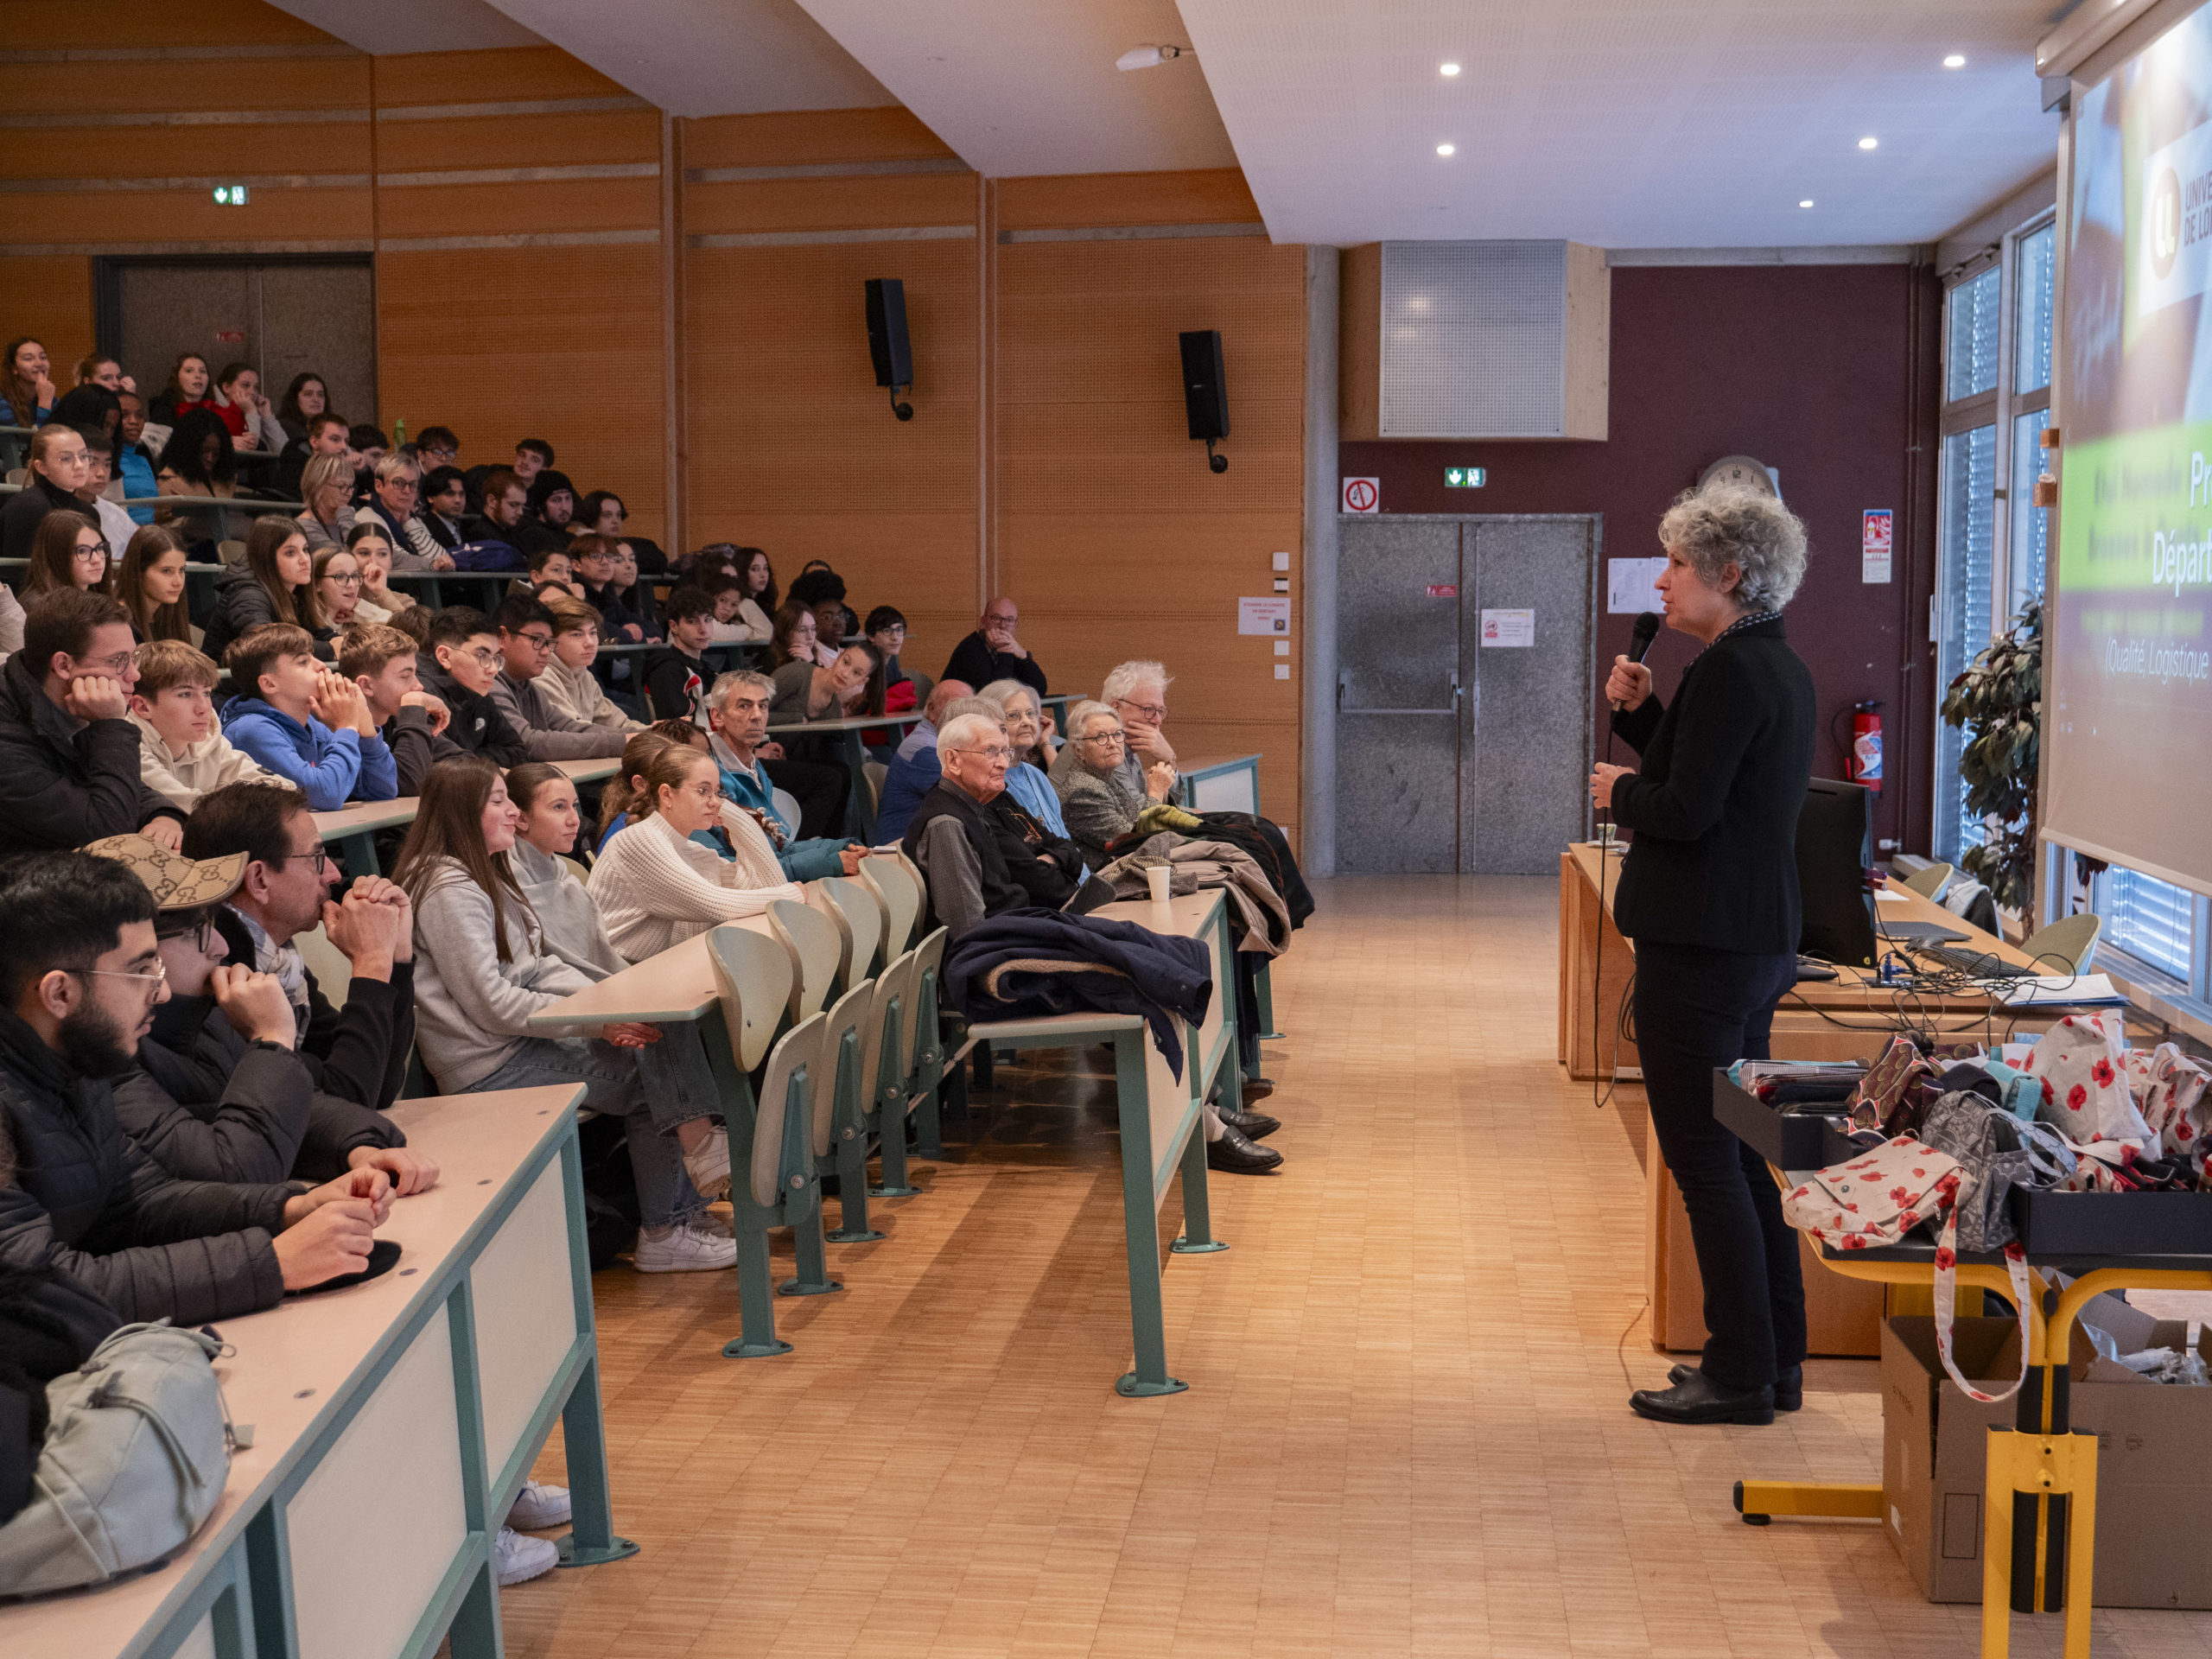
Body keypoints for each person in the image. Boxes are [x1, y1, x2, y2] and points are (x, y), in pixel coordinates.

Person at [1588, 487, 1816, 1429]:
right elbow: (1711, 777)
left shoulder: (1729, 672)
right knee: (1739, 1157)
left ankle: (1734, 1372)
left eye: (1676, 563)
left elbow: (1685, 811)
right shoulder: (1769, 663)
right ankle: (1774, 1364)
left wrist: (1619, 792)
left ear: (1727, 572)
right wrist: (1644, 724)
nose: (1660, 579)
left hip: (1704, 947)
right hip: (1747, 942)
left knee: (1705, 1162)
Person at [0, 849, 391, 1324]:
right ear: (59, 993)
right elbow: (34, 1289)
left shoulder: (72, 1062)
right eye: (141, 972)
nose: (161, 993)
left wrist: (291, 1207)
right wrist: (274, 1263)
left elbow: (137, 1202)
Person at [394, 759, 734, 1274]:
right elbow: (494, 1005)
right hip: (491, 1064)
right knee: (655, 1080)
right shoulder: (448, 889)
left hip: (524, 1044)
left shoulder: (482, 873)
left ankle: (694, 1181)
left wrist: (613, 1003)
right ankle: (670, 1224)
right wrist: (598, 1020)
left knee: (660, 1029)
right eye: (498, 801)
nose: (512, 813)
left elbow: (539, 965)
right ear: (462, 812)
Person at [90, 831, 427, 1190]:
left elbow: (311, 1107)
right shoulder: (108, 1059)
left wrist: (359, 1146)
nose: (220, 947)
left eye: (212, 924)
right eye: (194, 932)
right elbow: (231, 1168)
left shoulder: (212, 1017)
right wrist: (272, 1041)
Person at [505, 760, 734, 1190]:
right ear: (519, 818)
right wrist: (608, 1014)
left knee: (666, 1012)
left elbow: (602, 960)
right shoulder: (507, 887)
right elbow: (541, 977)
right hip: (554, 1024)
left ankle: (694, 1192)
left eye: (575, 805)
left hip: (593, 1004)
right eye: (558, 807)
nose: (575, 818)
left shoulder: (566, 878)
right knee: (660, 1061)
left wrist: (630, 1001)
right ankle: (679, 1210)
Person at [182, 779, 420, 1110]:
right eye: (318, 857)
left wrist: (395, 955)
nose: (335, 875)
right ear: (259, 880)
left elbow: (379, 1084)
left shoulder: (278, 958)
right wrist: (371, 963)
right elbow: (350, 1099)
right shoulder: (219, 974)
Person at [0, 590, 187, 855]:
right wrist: (110, 726)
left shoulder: (62, 703)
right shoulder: (7, 737)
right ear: (64, 664)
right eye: (118, 661)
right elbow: (106, 831)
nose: (135, 674)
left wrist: (162, 814)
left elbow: (105, 780)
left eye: (132, 658)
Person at [587, 747, 802, 960]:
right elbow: (718, 905)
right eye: (703, 791)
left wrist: (736, 818)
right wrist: (792, 894)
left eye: (717, 792)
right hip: (614, 976)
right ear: (667, 794)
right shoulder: (639, 842)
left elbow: (763, 884)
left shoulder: (691, 850)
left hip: (655, 968)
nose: (716, 801)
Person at [703, 671, 865, 880]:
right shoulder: (709, 779)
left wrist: (842, 847)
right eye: (744, 706)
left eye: (762, 706)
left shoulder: (753, 766)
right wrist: (829, 861)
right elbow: (733, 870)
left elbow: (782, 847)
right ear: (717, 716)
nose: (757, 715)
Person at [220, 624, 397, 810]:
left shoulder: (313, 726)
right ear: (269, 684)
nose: (321, 666)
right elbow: (325, 796)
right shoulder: (251, 729)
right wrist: (347, 727)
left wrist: (367, 731)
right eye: (303, 662)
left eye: (314, 656)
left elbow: (382, 789)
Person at [127, 639, 277, 810]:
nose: (204, 708)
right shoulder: (127, 747)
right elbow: (186, 807)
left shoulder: (209, 740)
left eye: (206, 693)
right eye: (185, 694)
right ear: (143, 707)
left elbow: (280, 790)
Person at [488, 595, 627, 761]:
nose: (546, 651)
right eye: (538, 640)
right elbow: (526, 742)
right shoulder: (489, 684)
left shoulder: (531, 689)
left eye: (549, 643)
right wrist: (623, 742)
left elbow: (569, 728)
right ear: (502, 637)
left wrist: (643, 737)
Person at [1054, 700, 1174, 869]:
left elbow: (1138, 819)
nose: (1112, 743)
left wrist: (1161, 791)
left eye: (1117, 734)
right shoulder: (1082, 791)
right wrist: (1155, 792)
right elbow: (1136, 842)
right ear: (1078, 750)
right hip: (1110, 882)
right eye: (1100, 737)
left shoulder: (1106, 775)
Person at [200, 516, 326, 665]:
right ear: (266, 557)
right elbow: (267, 643)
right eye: (291, 553)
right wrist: (330, 649)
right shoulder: (247, 594)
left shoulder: (296, 592)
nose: (305, 559)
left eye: (305, 550)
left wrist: (342, 643)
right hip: (228, 686)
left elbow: (320, 632)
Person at [417, 606, 531, 765]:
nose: (493, 670)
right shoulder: (420, 694)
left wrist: (471, 756)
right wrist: (473, 758)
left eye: (496, 658)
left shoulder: (478, 693)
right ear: (445, 656)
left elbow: (518, 751)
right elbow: (446, 764)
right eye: (482, 656)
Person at [977, 680, 1079, 845]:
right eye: (1013, 715)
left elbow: (1064, 839)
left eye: (1031, 714)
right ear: (989, 723)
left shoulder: (1035, 774)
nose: (1026, 721)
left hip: (1069, 866)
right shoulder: (990, 781)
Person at [874, 677, 972, 842]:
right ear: (932, 709)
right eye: (956, 707)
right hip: (902, 853)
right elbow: (971, 799)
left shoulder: (940, 743)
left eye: (970, 708)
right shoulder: (925, 751)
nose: (967, 716)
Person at [539, 595, 644, 733]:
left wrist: (660, 731)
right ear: (551, 639)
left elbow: (620, 724)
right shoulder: (541, 677)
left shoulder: (584, 675)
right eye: (577, 634)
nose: (590, 642)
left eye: (593, 633)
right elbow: (576, 733)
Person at [1, 423, 91, 565]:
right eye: (66, 458)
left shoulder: (89, 512)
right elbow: (17, 575)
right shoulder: (28, 507)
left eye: (84, 455)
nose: (79, 465)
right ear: (42, 467)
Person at [152, 409, 239, 551]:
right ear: (188, 448)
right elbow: (167, 529)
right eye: (204, 451)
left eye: (216, 453)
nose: (210, 458)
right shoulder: (167, 481)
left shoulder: (226, 478)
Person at [359, 454, 454, 573]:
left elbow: (444, 559)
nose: (407, 491)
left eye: (413, 485)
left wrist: (408, 522)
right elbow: (393, 558)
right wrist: (432, 565)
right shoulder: (366, 518)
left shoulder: (413, 520)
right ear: (379, 486)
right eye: (399, 483)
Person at [943, 597, 1046, 701]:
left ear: (1016, 626)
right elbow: (997, 697)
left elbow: (1040, 689)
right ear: (983, 622)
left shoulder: (1012, 649)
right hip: (959, 713)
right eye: (996, 618)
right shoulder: (970, 649)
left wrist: (1024, 656)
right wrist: (1004, 652)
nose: (1003, 626)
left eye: (1010, 620)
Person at [641, 587, 717, 725]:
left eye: (707, 620)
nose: (703, 629)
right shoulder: (667, 669)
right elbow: (675, 728)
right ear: (674, 626)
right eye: (692, 621)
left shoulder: (704, 667)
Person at [70, 424, 141, 557]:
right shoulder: (56, 510)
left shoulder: (117, 514)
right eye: (92, 464)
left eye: (107, 465)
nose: (101, 473)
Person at [771, 637, 875, 726]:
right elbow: (754, 712)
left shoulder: (836, 712)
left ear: (862, 681)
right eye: (846, 662)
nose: (845, 674)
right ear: (839, 657)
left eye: (856, 673)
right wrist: (796, 719)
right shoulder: (796, 673)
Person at [117, 524, 193, 644]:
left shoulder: (168, 615)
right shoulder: (117, 623)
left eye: (182, 570)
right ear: (139, 572)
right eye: (167, 571)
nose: (178, 582)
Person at [23, 509, 114, 600]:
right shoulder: (39, 607)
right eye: (82, 551)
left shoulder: (92, 596)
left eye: (99, 548)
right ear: (57, 557)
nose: (97, 559)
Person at [344, 519, 414, 623]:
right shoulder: (338, 599)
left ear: (391, 560)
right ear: (348, 556)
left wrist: (381, 593)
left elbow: (412, 634)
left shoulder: (405, 601)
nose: (373, 561)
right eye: (364, 553)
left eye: (382, 554)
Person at [294, 450, 357, 553]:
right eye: (341, 486)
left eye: (350, 487)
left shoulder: (346, 520)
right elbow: (349, 558)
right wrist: (347, 518)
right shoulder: (304, 528)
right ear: (318, 486)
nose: (349, 493)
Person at [211, 364, 282, 453]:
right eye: (245, 385)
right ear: (226, 387)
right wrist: (251, 411)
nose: (252, 392)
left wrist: (267, 417)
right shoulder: (212, 410)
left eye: (256, 387)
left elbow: (286, 452)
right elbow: (250, 451)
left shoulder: (253, 412)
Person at [466, 466, 531, 558]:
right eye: (513, 505)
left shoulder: (513, 532)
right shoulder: (478, 535)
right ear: (492, 501)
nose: (520, 512)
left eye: (522, 506)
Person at [115, 390, 159, 521]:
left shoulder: (143, 460)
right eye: (124, 415)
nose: (134, 421)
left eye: (139, 415)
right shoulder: (107, 461)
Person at [149, 353, 218, 429]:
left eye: (202, 371)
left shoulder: (216, 409)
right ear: (177, 377)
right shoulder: (163, 410)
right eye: (189, 371)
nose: (198, 376)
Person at [314, 545, 371, 630]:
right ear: (317, 583)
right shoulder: (309, 628)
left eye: (355, 575)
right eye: (340, 576)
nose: (351, 584)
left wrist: (369, 615)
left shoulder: (356, 621)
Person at [2, 337, 54, 429]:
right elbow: (39, 441)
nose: (39, 363)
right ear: (14, 368)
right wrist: (44, 404)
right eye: (28, 359)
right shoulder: (2, 403)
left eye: (43, 357)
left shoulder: (52, 400)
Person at [420, 465, 469, 550]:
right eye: (450, 494)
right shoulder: (423, 530)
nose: (458, 500)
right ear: (431, 497)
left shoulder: (465, 529)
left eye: (461, 494)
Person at [765, 602, 822, 673]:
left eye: (813, 629)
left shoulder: (814, 654)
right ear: (785, 632)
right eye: (803, 630)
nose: (810, 637)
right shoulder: (768, 662)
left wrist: (812, 662)